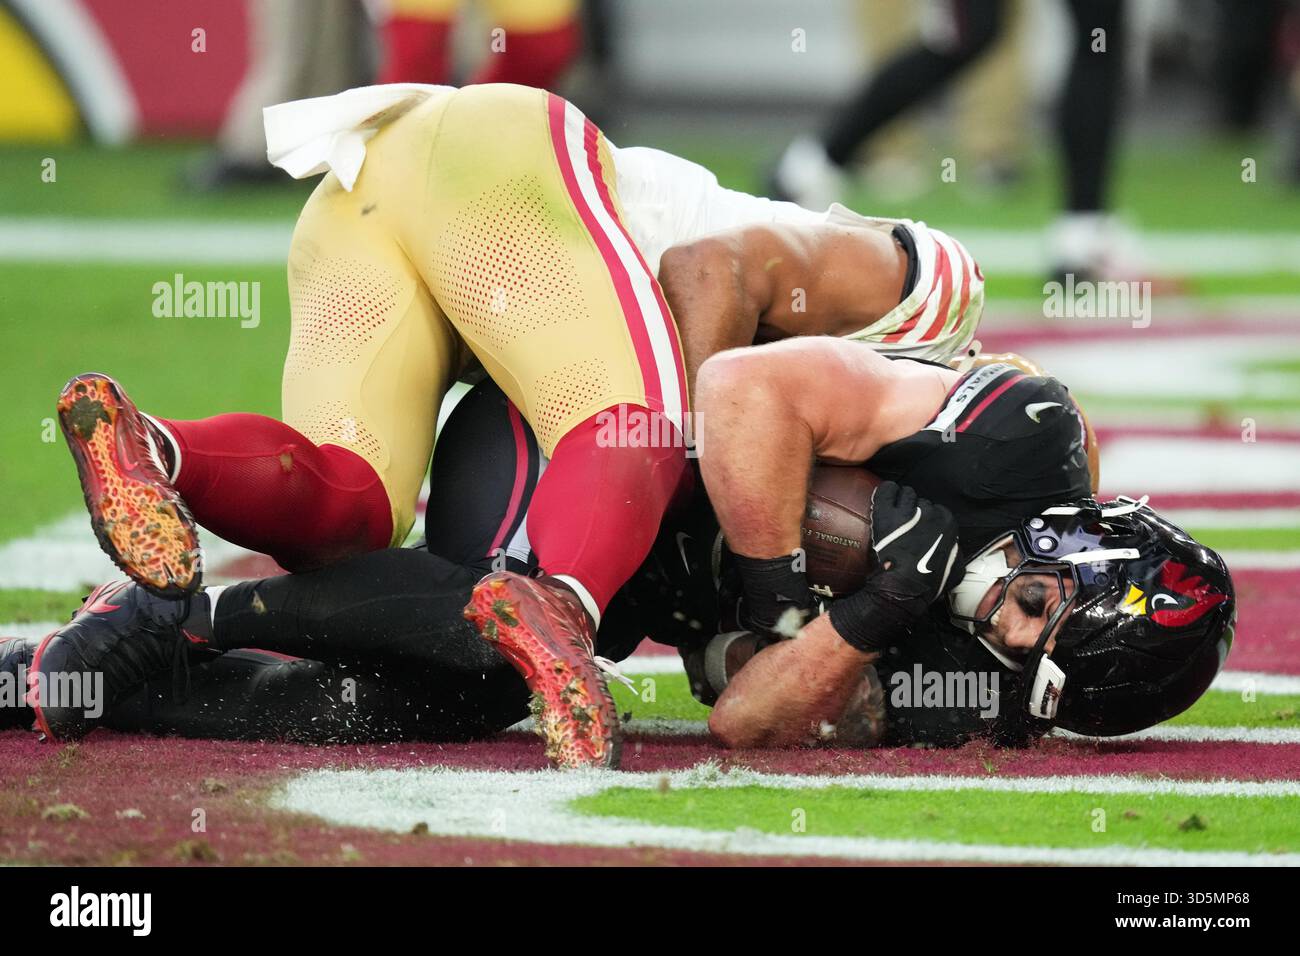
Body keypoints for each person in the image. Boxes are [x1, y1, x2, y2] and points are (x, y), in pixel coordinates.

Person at [57, 82, 985, 767]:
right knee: (639, 427)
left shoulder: (881, 456)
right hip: (505, 170)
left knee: (349, 509)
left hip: (373, 198)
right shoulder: (933, 299)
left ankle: (153, 445)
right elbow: (708, 270)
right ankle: (561, 605)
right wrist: (721, 505)